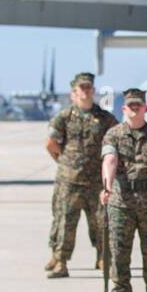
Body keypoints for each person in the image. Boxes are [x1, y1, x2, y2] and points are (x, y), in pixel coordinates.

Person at [99, 88, 147, 292]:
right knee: (119, 254)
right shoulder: (113, 134)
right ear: (123, 109)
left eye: (138, 105)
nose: (134, 108)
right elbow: (110, 159)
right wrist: (107, 186)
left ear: (146, 108)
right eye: (130, 105)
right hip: (121, 203)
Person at [45, 72, 116, 279]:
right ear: (74, 93)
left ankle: (103, 258)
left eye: (88, 88)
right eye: (81, 88)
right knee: (65, 222)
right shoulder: (65, 117)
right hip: (70, 181)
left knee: (101, 222)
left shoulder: (105, 118)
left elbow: (115, 142)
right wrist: (64, 162)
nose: (85, 91)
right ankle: (61, 261)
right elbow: (51, 144)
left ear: (93, 91)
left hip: (96, 182)